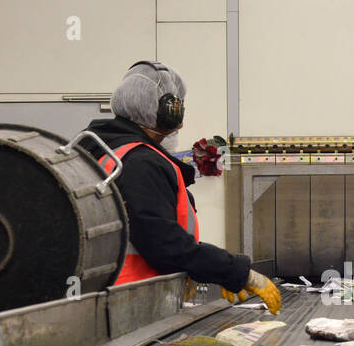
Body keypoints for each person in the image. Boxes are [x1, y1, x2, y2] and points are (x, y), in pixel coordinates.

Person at [86, 61, 280, 312]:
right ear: (168, 113)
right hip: (131, 302)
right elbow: (165, 245)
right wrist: (235, 272)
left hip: (110, 296)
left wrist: (208, 270)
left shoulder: (106, 151)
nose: (181, 123)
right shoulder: (140, 163)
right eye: (178, 107)